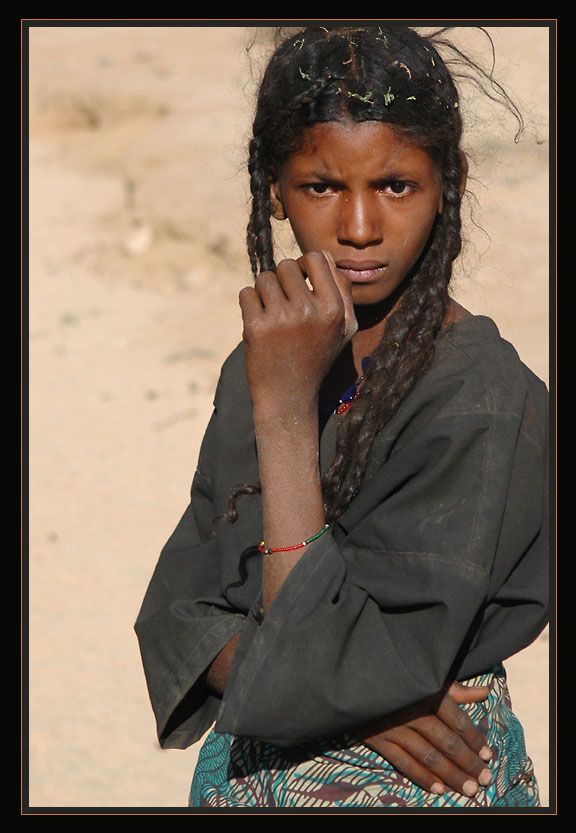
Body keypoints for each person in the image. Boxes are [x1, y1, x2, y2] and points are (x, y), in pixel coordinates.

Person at [135, 25, 548, 809]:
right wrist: (345, 684)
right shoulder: (272, 356)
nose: (359, 227)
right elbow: (175, 610)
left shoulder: (483, 395)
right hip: (254, 767)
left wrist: (287, 414)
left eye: (397, 185)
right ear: (273, 189)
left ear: (449, 182)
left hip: (424, 778)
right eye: (322, 186)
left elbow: (325, 653)